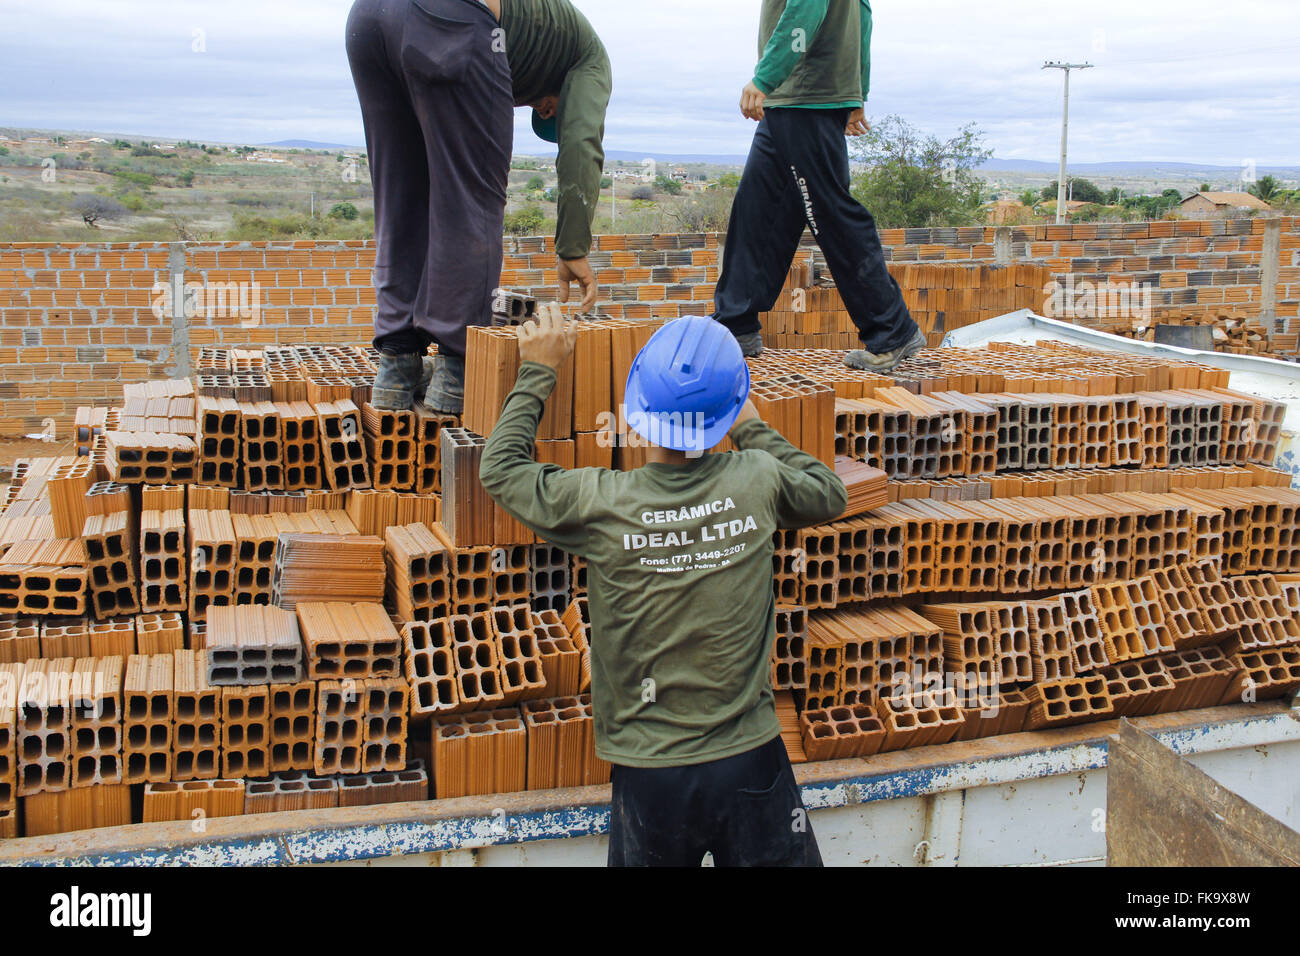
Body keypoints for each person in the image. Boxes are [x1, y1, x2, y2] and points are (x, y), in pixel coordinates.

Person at [479, 306, 846, 866]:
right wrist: (745, 419)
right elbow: (828, 490)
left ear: (634, 408)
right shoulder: (756, 479)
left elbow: (500, 470)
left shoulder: (602, 502)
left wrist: (539, 370)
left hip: (651, 775)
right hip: (752, 760)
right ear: (725, 416)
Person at [345, 0, 610, 414]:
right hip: (449, 19)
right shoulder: (590, 56)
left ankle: (397, 366)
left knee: (401, 198)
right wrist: (573, 247)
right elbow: (581, 145)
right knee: (470, 202)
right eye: (547, 109)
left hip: (369, 21)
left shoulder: (541, 28)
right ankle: (455, 374)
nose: (543, 110)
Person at [712, 0, 926, 374]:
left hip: (806, 95)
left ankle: (892, 330)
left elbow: (805, 9)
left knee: (830, 212)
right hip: (792, 98)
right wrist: (858, 91)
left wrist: (765, 77)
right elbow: (862, 12)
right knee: (757, 208)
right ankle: (736, 323)